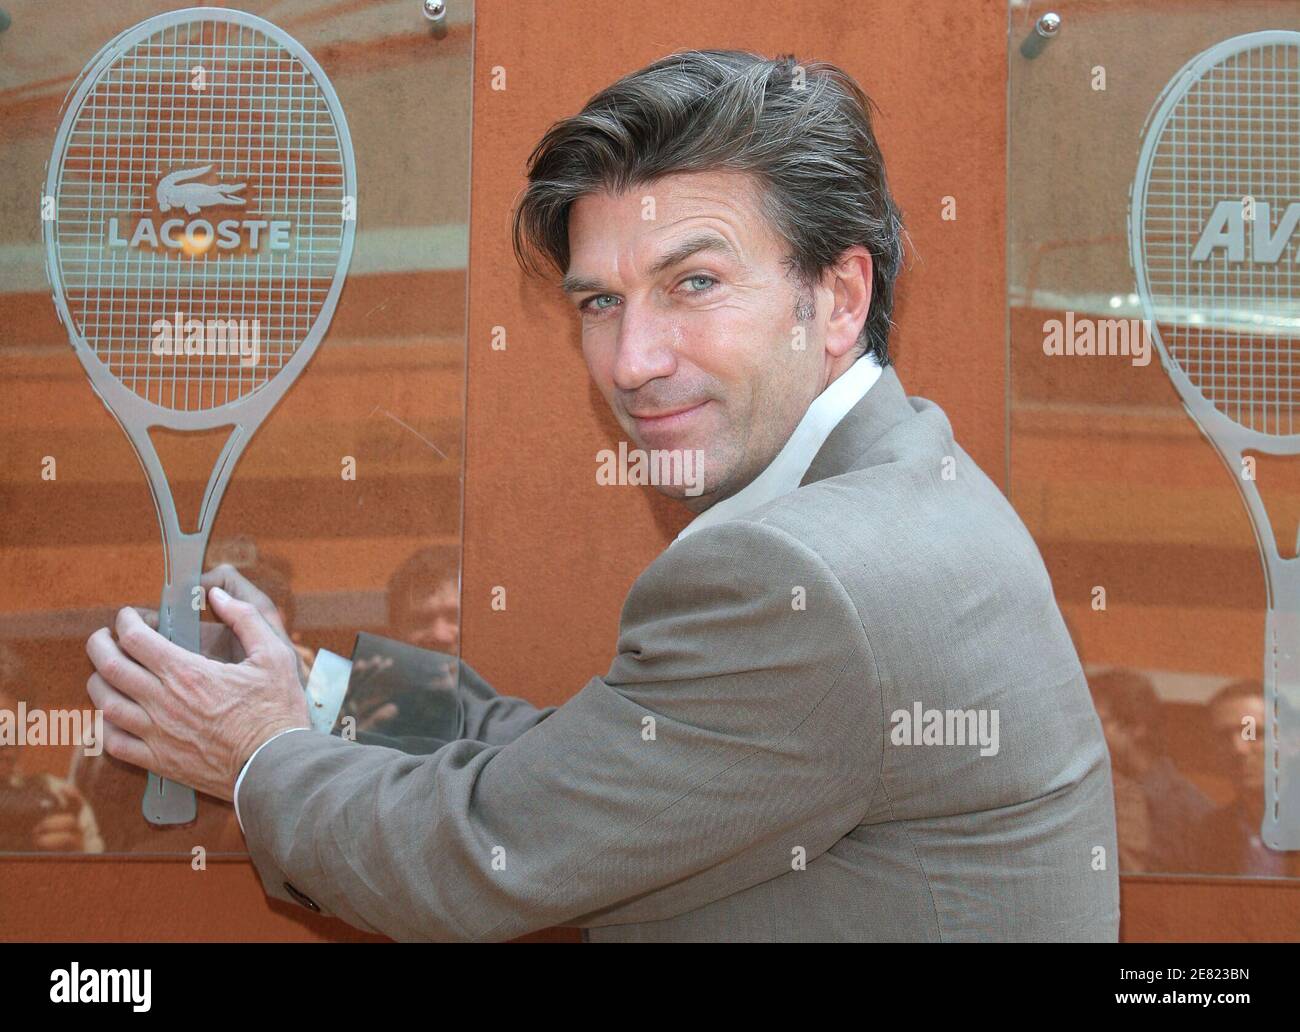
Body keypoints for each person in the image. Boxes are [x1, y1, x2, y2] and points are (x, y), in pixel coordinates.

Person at [83, 49, 1119, 941]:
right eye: (599, 301)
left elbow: (482, 856)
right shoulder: (901, 482)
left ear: (838, 297)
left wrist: (259, 756)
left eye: (694, 284)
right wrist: (317, 694)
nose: (631, 361)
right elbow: (611, 767)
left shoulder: (800, 576)